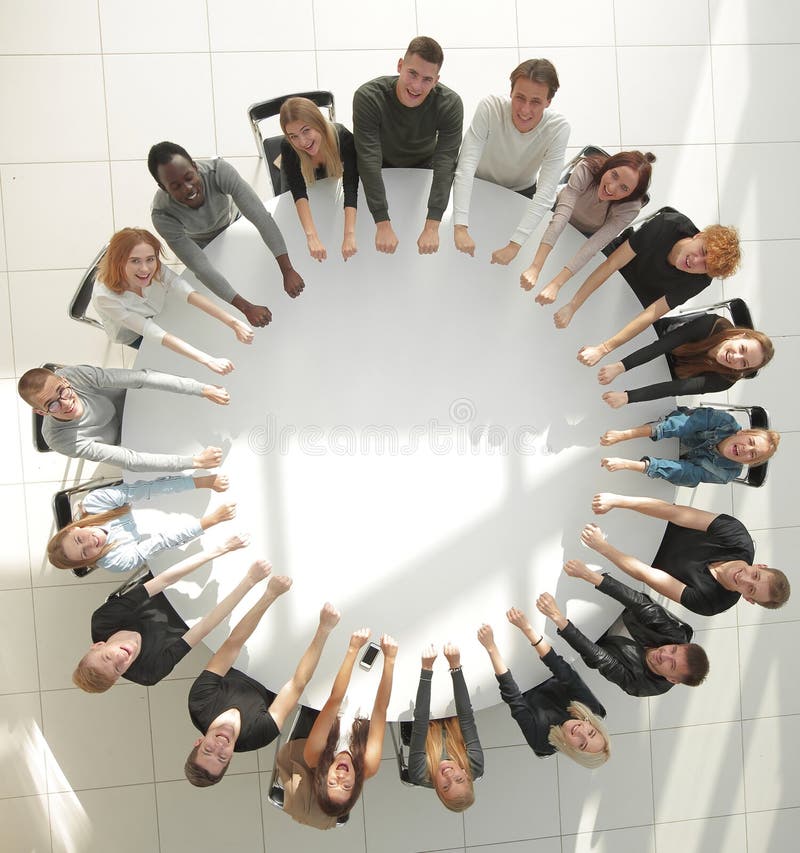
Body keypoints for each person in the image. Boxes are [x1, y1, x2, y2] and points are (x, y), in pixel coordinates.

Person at [185, 575, 341, 787]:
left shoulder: (199, 704)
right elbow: (296, 684)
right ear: (230, 758)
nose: (220, 746)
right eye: (222, 757)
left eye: (208, 749)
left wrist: (270, 594)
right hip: (281, 669)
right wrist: (324, 629)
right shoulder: (257, 736)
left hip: (249, 652)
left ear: (199, 742)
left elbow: (232, 645)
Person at [548, 208, 740, 364]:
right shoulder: (668, 224)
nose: (695, 261)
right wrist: (573, 305)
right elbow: (612, 264)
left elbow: (651, 314)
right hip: (618, 266)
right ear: (699, 236)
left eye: (705, 266)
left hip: (635, 300)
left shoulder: (701, 280)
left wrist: (603, 349)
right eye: (702, 250)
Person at [148, 141, 305, 328]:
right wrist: (246, 308)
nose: (187, 188)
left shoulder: (219, 171)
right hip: (199, 241)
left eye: (189, 177)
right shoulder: (162, 215)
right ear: (164, 187)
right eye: (176, 186)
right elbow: (200, 267)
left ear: (195, 167)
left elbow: (261, 218)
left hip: (232, 220)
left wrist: (287, 270)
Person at [74, 534, 259, 691]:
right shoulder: (148, 673)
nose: (120, 659)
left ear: (98, 645)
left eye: (108, 657)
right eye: (117, 670)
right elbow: (202, 628)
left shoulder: (103, 621)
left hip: (177, 577)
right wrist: (249, 582)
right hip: (199, 612)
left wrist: (222, 548)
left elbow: (163, 580)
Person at [584, 493, 791, 616]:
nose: (744, 578)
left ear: (748, 599)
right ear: (760, 566)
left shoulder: (713, 602)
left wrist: (603, 547)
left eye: (751, 589)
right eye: (755, 575)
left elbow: (649, 575)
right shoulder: (737, 536)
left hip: (636, 555)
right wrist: (618, 501)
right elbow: (674, 513)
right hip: (651, 518)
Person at [353, 36, 463, 255]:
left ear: (437, 80)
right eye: (412, 73)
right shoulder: (368, 96)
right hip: (381, 165)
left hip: (424, 167)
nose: (416, 86)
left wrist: (432, 226)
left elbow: (445, 164)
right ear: (400, 65)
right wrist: (382, 222)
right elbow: (368, 158)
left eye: (427, 79)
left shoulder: (450, 104)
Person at [453, 58, 570, 265]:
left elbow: (545, 193)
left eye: (535, 102)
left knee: (500, 255)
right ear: (511, 92)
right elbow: (465, 166)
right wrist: (460, 226)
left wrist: (515, 244)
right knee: (459, 254)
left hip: (520, 191)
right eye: (520, 98)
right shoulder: (490, 108)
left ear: (548, 102)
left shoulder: (558, 127)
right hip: (478, 184)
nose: (525, 110)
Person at [536, 562, 708, 697]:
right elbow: (640, 604)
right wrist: (589, 575)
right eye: (673, 649)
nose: (664, 654)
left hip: (594, 637)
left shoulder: (641, 686)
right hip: (610, 607)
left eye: (671, 665)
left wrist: (558, 618)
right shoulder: (676, 635)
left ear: (672, 679)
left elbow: (602, 658)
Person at [92, 227, 253, 371]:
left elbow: (184, 290)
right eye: (135, 261)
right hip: (132, 332)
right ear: (119, 262)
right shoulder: (105, 298)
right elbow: (152, 332)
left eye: (151, 259)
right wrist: (208, 360)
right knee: (170, 361)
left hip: (157, 313)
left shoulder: (150, 264)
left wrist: (233, 322)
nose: (145, 268)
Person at [18, 364, 228, 472]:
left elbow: (140, 378)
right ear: (41, 412)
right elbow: (130, 459)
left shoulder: (75, 376)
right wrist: (193, 462)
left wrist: (201, 389)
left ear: (65, 379)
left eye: (62, 391)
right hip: (131, 438)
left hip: (140, 401)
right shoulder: (58, 439)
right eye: (51, 405)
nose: (66, 403)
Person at [477, 609, 610, 768]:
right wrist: (526, 628)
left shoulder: (542, 743)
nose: (581, 733)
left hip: (516, 679)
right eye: (591, 733)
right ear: (594, 726)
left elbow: (515, 700)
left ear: (573, 751)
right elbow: (563, 672)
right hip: (541, 665)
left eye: (582, 745)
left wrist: (491, 647)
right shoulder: (592, 710)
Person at [521, 150, 655, 297]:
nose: (611, 188)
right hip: (557, 210)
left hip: (586, 233)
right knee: (526, 251)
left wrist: (556, 284)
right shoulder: (587, 168)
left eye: (624, 188)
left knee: (557, 264)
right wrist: (536, 267)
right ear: (608, 166)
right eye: (614, 175)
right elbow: (561, 217)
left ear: (632, 194)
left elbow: (594, 245)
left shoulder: (630, 208)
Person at [46, 475, 235, 573]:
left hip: (159, 502)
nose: (90, 543)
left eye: (79, 539)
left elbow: (146, 489)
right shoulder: (115, 562)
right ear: (88, 561)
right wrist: (211, 520)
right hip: (164, 525)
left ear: (75, 527)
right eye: (85, 553)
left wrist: (202, 482)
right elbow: (162, 541)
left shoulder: (94, 503)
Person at [304, 630, 398, 817]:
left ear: (323, 778)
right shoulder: (368, 765)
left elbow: (334, 700)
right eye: (346, 786)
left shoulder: (313, 755)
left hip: (335, 691)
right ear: (355, 786)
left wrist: (353, 649)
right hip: (369, 701)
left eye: (332, 783)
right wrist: (390, 660)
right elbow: (380, 711)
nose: (341, 777)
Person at [597, 314, 774, 409]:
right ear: (739, 335)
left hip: (665, 372)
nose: (735, 358)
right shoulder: (712, 325)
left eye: (744, 364)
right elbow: (661, 346)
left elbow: (674, 389)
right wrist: (619, 367)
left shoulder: (725, 379)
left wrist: (627, 397)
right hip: (657, 339)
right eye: (742, 349)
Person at [599, 406, 780, 486]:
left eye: (753, 455)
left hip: (674, 463)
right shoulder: (725, 422)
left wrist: (629, 464)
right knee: (675, 423)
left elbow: (685, 472)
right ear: (743, 432)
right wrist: (625, 435)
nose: (746, 450)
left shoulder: (727, 473)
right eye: (750, 442)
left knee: (686, 478)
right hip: (672, 426)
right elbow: (681, 425)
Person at [279, 97, 359, 262]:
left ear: (319, 123)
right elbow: (297, 191)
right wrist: (311, 237)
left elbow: (350, 185)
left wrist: (349, 234)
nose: (302, 142)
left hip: (331, 180)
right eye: (293, 136)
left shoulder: (342, 137)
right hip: (302, 182)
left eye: (306, 130)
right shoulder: (289, 147)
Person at [408, 643, 483, 811]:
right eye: (459, 779)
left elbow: (420, 721)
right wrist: (455, 667)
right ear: (466, 774)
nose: (449, 776)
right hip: (450, 705)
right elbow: (466, 718)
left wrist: (427, 669)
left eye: (445, 787)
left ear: (437, 791)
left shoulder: (420, 774)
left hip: (420, 704)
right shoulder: (475, 766)